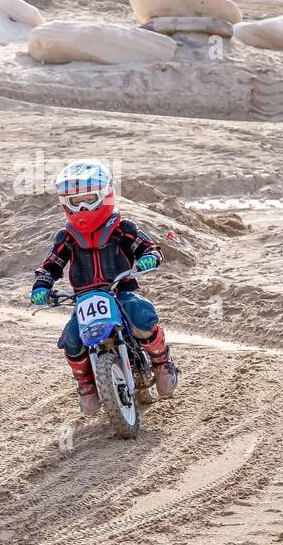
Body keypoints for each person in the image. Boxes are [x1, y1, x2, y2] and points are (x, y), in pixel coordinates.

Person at [29, 160, 179, 414]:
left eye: (89, 198)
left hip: (121, 290)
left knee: (141, 315)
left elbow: (147, 247)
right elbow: (51, 264)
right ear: (66, 204)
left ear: (105, 194)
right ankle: (86, 384)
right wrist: (41, 286)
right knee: (72, 340)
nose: (84, 206)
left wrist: (149, 256)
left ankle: (161, 361)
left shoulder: (121, 227)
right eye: (76, 202)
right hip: (85, 299)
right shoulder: (66, 236)